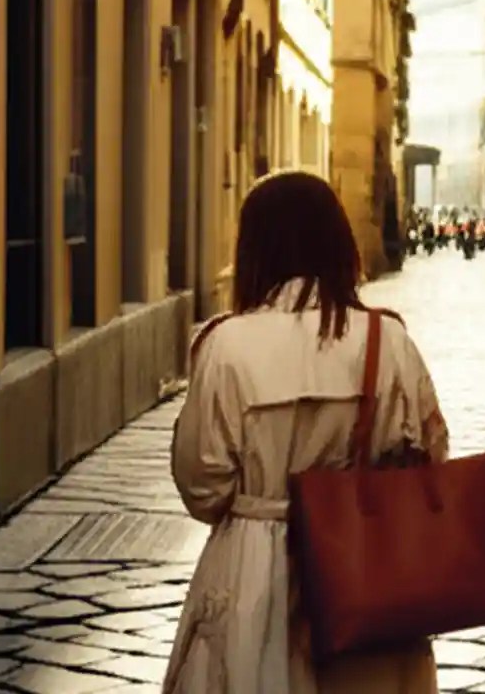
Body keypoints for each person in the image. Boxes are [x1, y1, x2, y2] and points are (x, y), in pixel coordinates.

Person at [164, 170, 450, 694]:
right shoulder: (387, 340)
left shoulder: (225, 347)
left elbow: (204, 489)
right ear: (339, 245)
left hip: (253, 571)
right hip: (367, 572)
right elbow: (431, 462)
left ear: (253, 251)